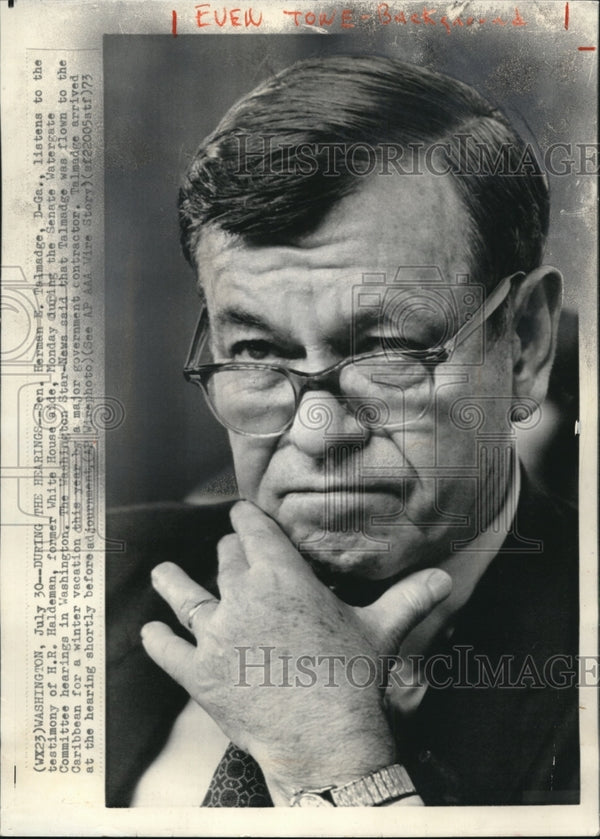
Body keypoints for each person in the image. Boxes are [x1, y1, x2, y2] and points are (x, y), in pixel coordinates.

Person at [106, 54, 579, 808]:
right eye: (258, 352)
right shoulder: (81, 584)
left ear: (523, 346)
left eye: (385, 350)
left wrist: (334, 762)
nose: (320, 432)